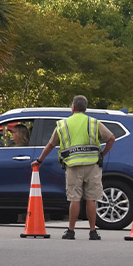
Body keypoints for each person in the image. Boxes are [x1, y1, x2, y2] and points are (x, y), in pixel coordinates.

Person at [31, 95, 115, 240]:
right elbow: (111, 138)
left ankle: (71, 231)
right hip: (92, 165)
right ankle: (93, 231)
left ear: (73, 107)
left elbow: (51, 145)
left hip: (73, 166)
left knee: (74, 199)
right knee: (91, 199)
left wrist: (39, 160)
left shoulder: (63, 125)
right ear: (85, 108)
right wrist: (102, 154)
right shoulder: (93, 122)